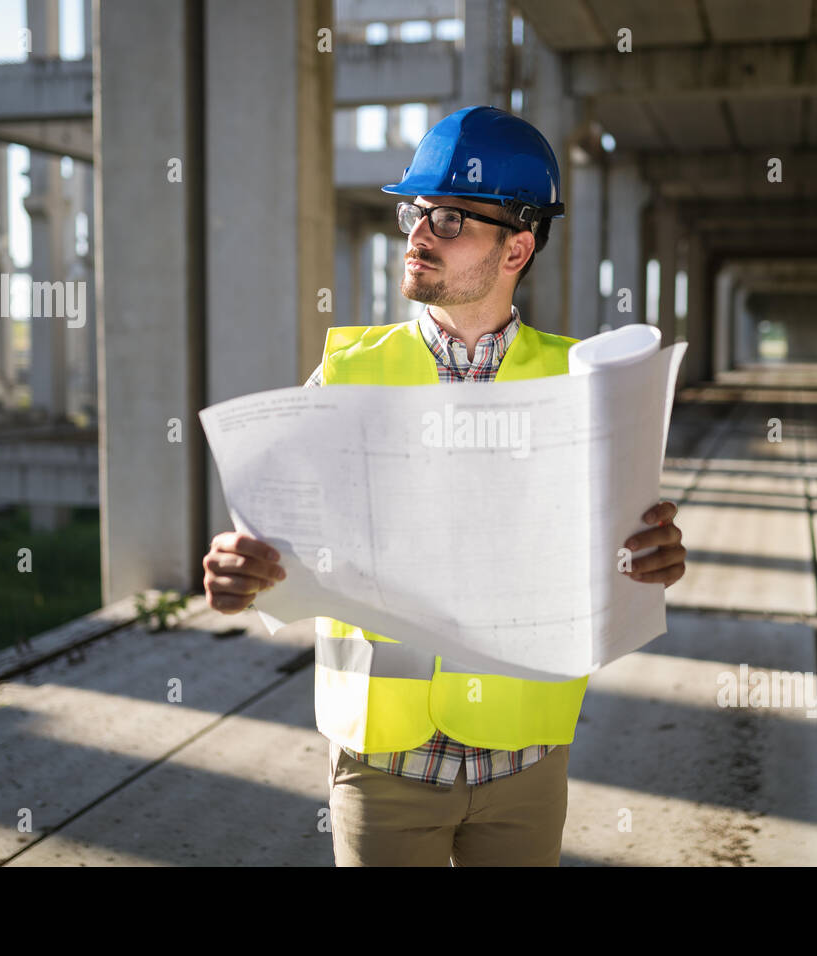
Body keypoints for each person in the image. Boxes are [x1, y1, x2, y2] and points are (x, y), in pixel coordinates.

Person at [203, 105, 686, 866]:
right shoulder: (349, 373)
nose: (418, 236)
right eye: (415, 213)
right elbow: (280, 544)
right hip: (382, 768)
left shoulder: (581, 383)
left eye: (451, 220)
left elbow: (617, 552)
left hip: (524, 763)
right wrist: (242, 576)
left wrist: (649, 559)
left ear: (518, 246)